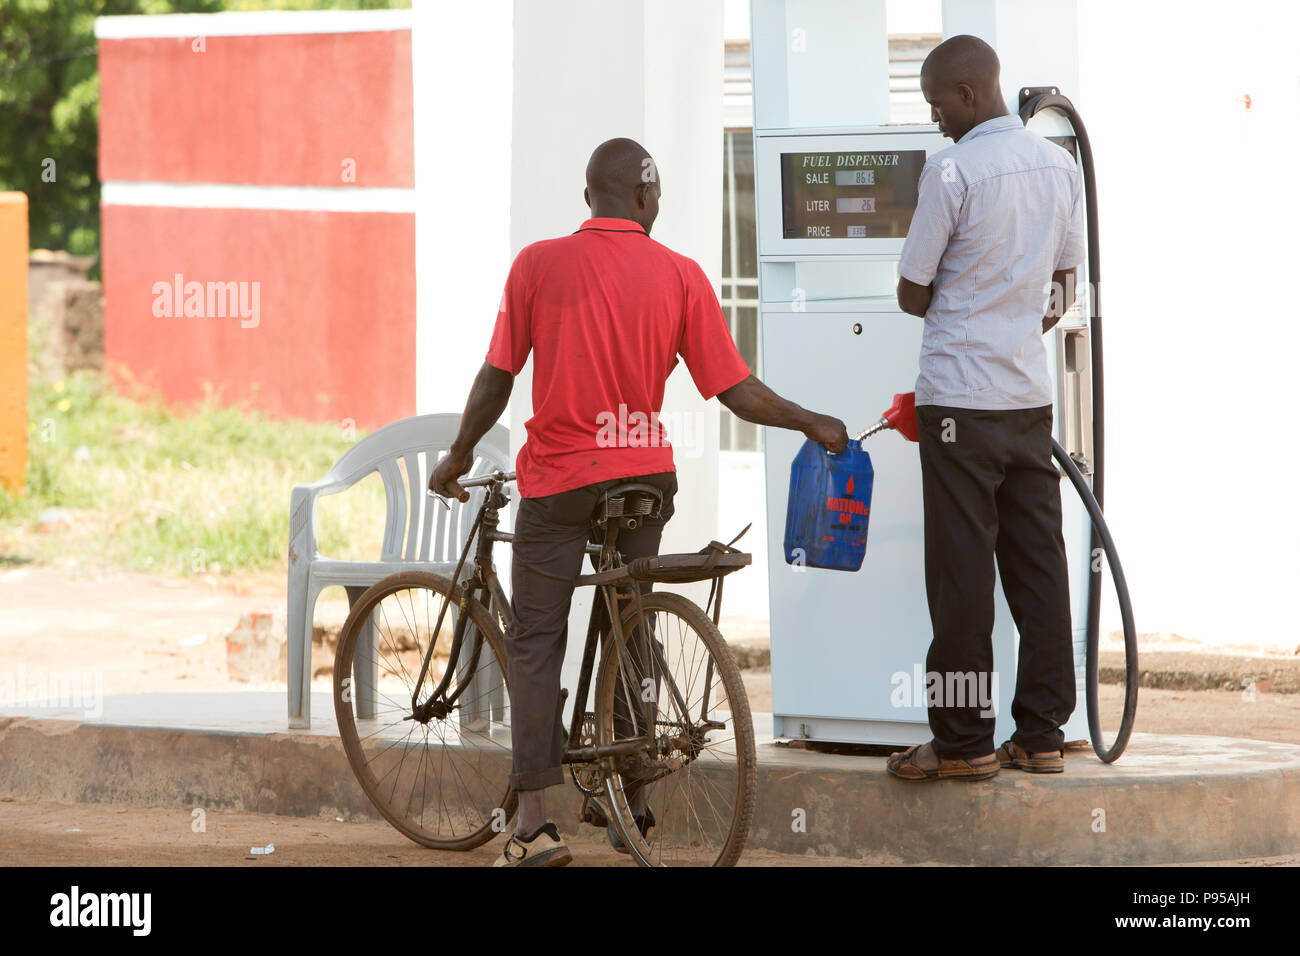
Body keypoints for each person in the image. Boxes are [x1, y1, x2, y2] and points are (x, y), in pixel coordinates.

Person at [429, 137, 849, 864]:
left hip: (560, 480)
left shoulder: (537, 264)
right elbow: (735, 391)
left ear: (590, 195)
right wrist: (810, 419)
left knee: (536, 639)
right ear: (646, 198)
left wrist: (460, 454)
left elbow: (497, 376)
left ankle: (532, 824)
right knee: (631, 621)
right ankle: (633, 799)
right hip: (645, 481)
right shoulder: (680, 274)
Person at [885, 35, 1084, 781]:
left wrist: (967, 316)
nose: (935, 118)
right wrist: (1013, 326)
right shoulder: (1060, 167)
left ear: (968, 94)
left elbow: (911, 291)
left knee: (962, 578)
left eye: (938, 103)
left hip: (958, 406)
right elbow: (1066, 286)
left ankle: (964, 743)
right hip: (1028, 401)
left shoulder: (954, 170)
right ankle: (1041, 735)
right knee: (1039, 568)